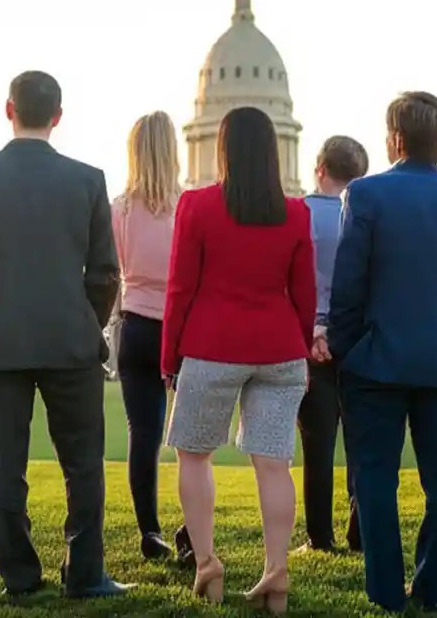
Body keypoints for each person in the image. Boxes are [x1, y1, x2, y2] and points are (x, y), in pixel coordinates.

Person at [0, 70, 128, 603]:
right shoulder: (88, 179)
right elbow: (105, 273)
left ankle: (20, 579)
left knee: (4, 467)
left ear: (8, 110)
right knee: (83, 465)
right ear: (58, 115)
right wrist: (85, 319)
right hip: (71, 341)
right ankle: (86, 574)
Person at [328, 91, 437, 613]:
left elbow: (348, 286)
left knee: (375, 478)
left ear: (394, 139)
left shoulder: (365, 194)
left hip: (375, 359)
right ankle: (434, 591)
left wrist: (347, 350)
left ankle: (385, 593)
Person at [163, 106, 317, 614]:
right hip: (279, 350)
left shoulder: (198, 206)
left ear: (221, 149)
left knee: (194, 454)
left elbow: (180, 288)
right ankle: (276, 570)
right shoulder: (296, 213)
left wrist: (170, 356)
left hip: (212, 346)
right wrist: (295, 348)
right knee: (274, 464)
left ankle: (207, 562)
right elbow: (305, 295)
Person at [111, 110, 181, 560]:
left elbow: (114, 271)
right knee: (191, 437)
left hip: (134, 325)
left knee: (143, 433)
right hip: (179, 329)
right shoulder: (188, 206)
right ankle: (194, 530)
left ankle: (150, 529)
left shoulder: (119, 207)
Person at [297, 135, 368, 553]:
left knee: (317, 444)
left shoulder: (299, 214)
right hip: (357, 338)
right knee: (362, 443)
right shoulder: (367, 216)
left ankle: (319, 537)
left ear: (320, 169)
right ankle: (361, 532)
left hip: (310, 340)